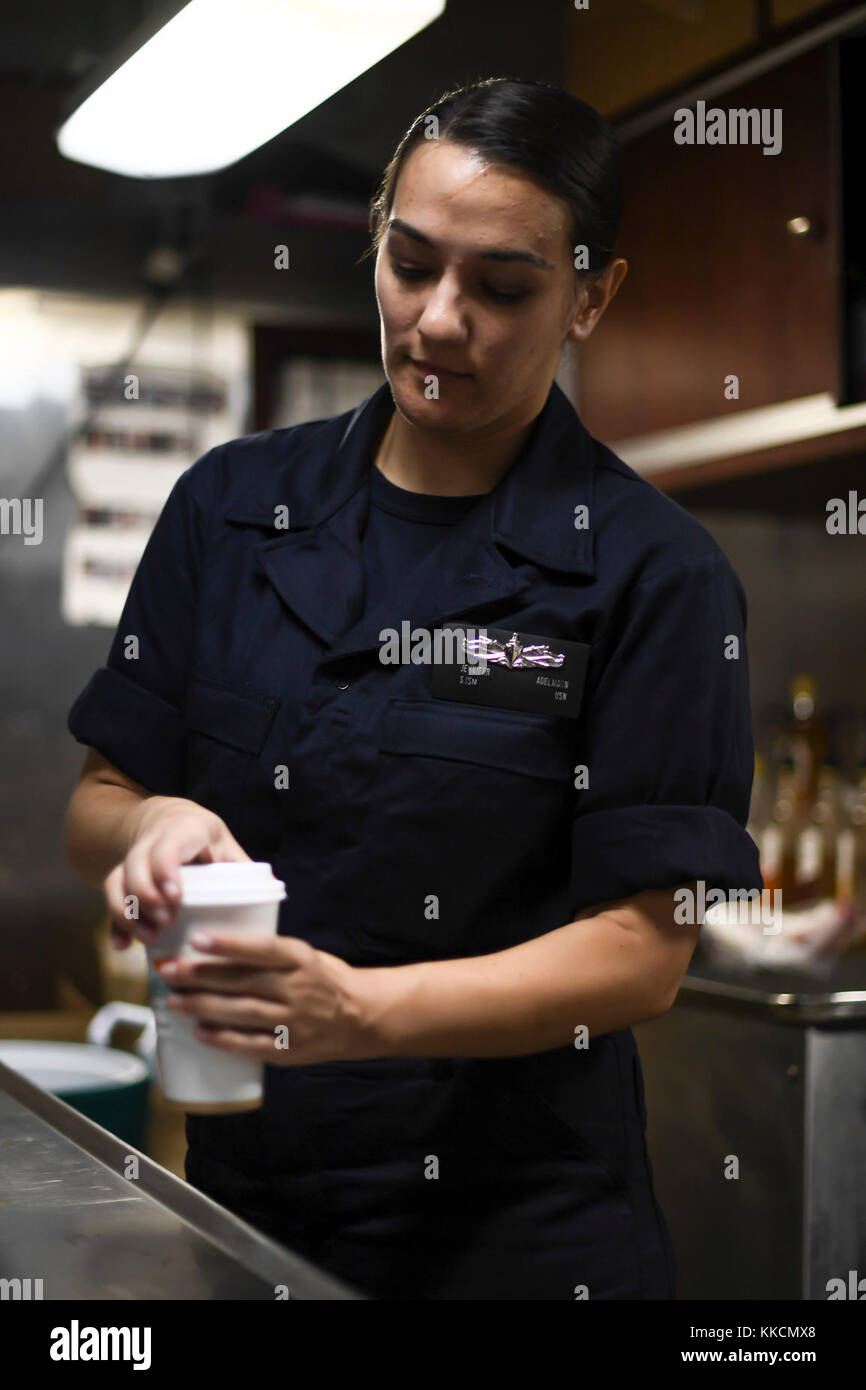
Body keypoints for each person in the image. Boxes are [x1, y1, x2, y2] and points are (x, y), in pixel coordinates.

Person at [64, 77, 762, 1300]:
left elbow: (642, 950)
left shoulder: (651, 575)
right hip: (248, 1203)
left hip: (514, 1241)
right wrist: (149, 822)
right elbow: (100, 798)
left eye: (501, 287)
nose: (438, 322)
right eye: (408, 262)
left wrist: (358, 1011)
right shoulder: (229, 507)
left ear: (592, 295)